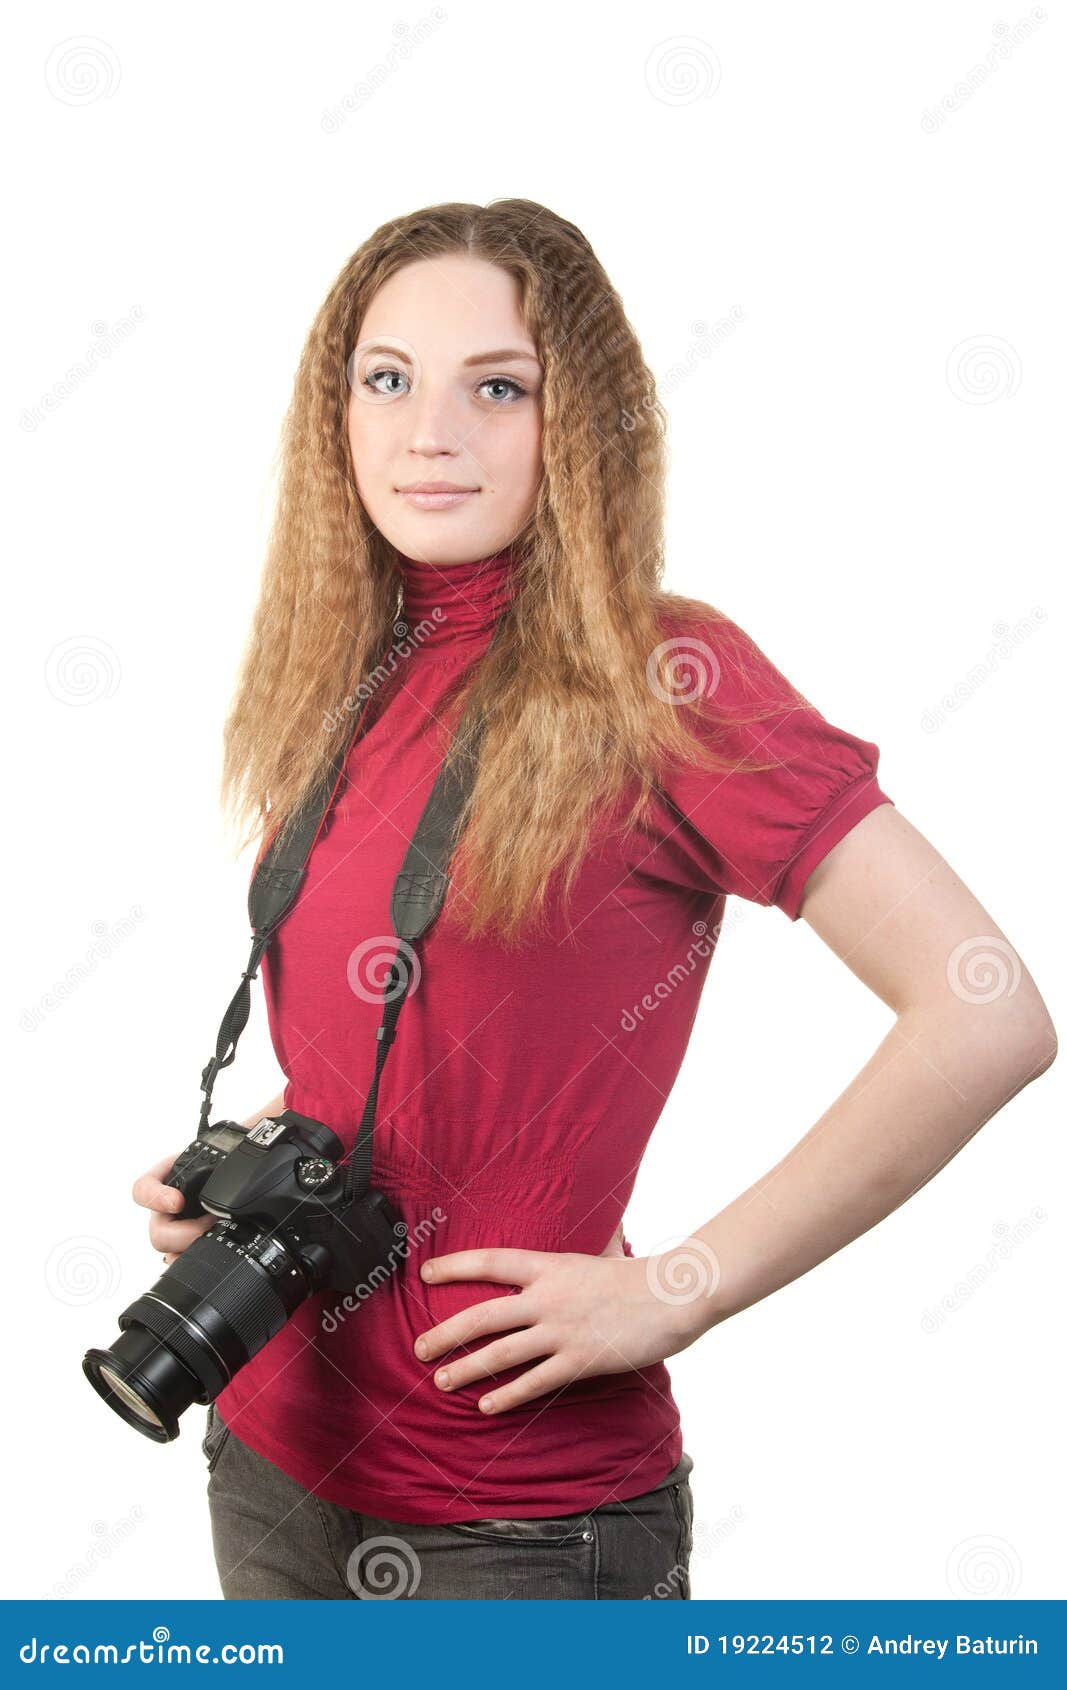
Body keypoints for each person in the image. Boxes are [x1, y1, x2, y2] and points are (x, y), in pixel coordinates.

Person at [131, 199, 1057, 1601]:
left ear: (584, 424)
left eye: (496, 386)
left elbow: (986, 1012)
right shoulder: (348, 667)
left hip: (518, 1526)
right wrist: (255, 1161)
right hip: (267, 1463)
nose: (428, 429)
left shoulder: (666, 682)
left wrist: (677, 1283)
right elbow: (425, 1024)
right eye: (387, 379)